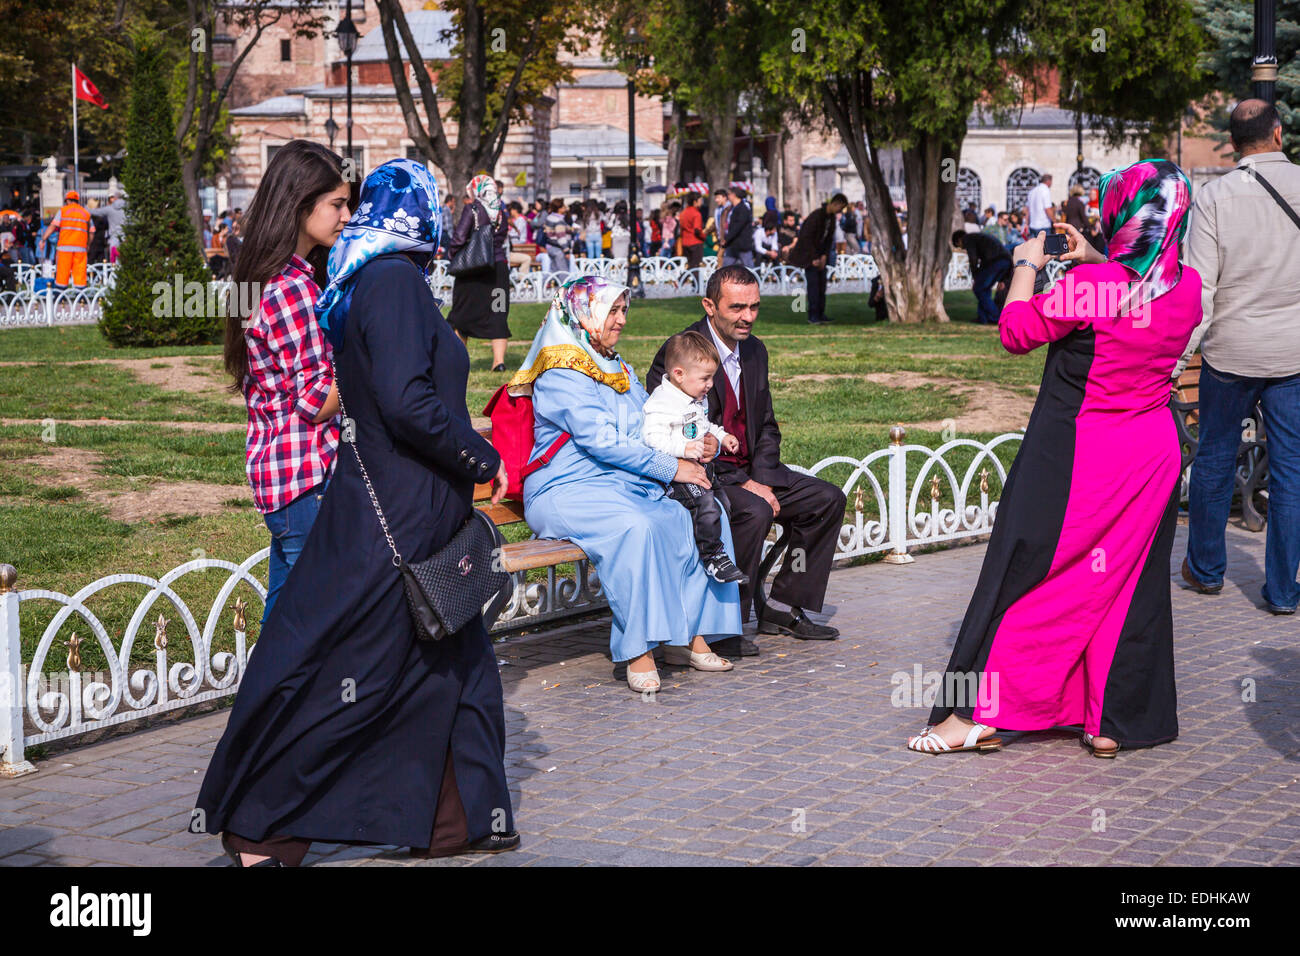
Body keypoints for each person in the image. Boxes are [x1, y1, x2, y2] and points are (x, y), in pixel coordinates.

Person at [195, 157, 517, 867]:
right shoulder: (393, 280)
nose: (344, 214)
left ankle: (458, 818)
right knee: (356, 675)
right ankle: (264, 828)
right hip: (399, 509)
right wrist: (482, 456)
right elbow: (405, 403)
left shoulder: (360, 279)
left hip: (405, 505)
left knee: (449, 665)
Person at [907, 159, 1201, 756]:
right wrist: (1099, 256)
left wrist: (1023, 265)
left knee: (1032, 574)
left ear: (1122, 215)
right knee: (1123, 584)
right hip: (1151, 456)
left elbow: (1015, 330)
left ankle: (984, 710)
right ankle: (1108, 721)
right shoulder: (1187, 288)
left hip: (1080, 457)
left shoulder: (1087, 290)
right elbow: (1135, 289)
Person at [513, 276, 743, 693]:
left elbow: (647, 423)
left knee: (691, 512)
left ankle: (688, 636)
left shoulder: (615, 365)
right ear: (586, 313)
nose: (621, 321)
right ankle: (639, 649)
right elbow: (600, 440)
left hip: (618, 483)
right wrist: (669, 468)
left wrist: (691, 443)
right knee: (638, 527)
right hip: (564, 488)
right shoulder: (560, 368)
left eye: (623, 311)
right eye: (612, 311)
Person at [647, 265, 847, 656]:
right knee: (753, 511)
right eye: (737, 307)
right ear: (709, 305)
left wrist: (763, 478)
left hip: (753, 471)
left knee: (827, 500)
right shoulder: (680, 351)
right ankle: (725, 625)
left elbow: (767, 425)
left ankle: (786, 605)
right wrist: (746, 485)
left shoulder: (755, 350)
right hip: (701, 475)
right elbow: (673, 432)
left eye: (755, 307)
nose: (748, 317)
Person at [1178, 99, 1300, 614]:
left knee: (1213, 458)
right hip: (1292, 354)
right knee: (1292, 469)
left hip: (1229, 352)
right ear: (1277, 133)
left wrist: (1180, 354)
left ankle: (1206, 571)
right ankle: (1282, 591)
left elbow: (1198, 289)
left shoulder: (1214, 197)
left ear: (1233, 141)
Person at [222, 140, 347, 627]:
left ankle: (263, 702)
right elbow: (317, 402)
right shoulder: (293, 289)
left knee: (286, 621)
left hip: (284, 477)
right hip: (307, 476)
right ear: (299, 205)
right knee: (320, 625)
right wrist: (370, 363)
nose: (346, 215)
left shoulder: (267, 279)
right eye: (336, 204)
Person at [642, 330, 750, 585]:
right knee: (706, 506)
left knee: (725, 504)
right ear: (679, 374)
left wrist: (722, 436)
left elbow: (703, 425)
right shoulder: (663, 402)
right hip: (676, 476)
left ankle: (721, 549)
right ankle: (712, 558)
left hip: (702, 468)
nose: (710, 385)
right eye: (705, 378)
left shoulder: (693, 397)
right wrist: (683, 448)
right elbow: (651, 438)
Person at [446, 174, 511, 372]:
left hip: (472, 271)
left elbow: (459, 237)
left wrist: (452, 254)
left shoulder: (472, 209)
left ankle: (459, 362)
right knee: (498, 312)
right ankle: (498, 362)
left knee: (460, 315)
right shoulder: (501, 211)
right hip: (498, 270)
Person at [785, 192, 847, 325]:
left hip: (820, 255)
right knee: (813, 286)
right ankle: (813, 315)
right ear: (835, 204)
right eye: (840, 208)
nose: (840, 211)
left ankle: (820, 313)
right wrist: (813, 258)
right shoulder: (816, 216)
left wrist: (824, 256)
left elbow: (828, 239)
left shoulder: (831, 219)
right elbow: (806, 238)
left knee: (821, 286)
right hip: (809, 256)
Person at [952, 229, 1011, 325]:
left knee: (979, 289)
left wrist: (975, 275)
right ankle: (983, 318)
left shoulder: (968, 239)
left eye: (960, 246)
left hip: (996, 261)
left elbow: (973, 258)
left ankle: (995, 317)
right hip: (1004, 260)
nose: (963, 248)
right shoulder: (978, 237)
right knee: (984, 289)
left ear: (959, 240)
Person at [39, 190, 94, 289]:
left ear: (67, 200)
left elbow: (52, 226)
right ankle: (81, 298)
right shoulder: (86, 213)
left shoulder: (63, 211)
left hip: (64, 248)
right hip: (81, 248)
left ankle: (60, 298)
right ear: (77, 200)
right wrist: (88, 244)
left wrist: (43, 239)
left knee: (62, 275)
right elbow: (92, 231)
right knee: (80, 275)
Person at [721, 187, 754, 267]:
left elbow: (738, 226)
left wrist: (727, 238)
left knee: (749, 269)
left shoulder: (743, 208)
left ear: (733, 195)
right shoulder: (732, 208)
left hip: (742, 244)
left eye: (729, 194)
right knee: (726, 268)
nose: (728, 196)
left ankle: (755, 279)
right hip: (732, 244)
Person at [91, 192, 126, 264]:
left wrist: (85, 208)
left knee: (113, 261)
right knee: (124, 259)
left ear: (115, 198)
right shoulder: (127, 208)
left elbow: (96, 212)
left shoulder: (110, 208)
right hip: (125, 237)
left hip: (114, 238)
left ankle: (114, 273)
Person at [679, 192, 706, 268]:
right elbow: (697, 230)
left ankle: (682, 279)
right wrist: (703, 237)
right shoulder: (696, 213)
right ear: (695, 202)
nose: (701, 203)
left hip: (685, 243)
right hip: (695, 242)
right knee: (695, 266)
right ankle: (684, 279)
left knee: (690, 265)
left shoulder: (683, 213)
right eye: (700, 201)